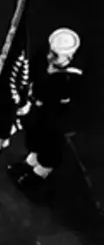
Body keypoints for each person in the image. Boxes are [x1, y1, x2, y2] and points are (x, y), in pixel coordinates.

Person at [6, 27, 83, 195]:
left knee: (49, 144)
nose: (49, 57)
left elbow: (66, 106)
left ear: (69, 57)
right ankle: (31, 161)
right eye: (50, 52)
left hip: (53, 118)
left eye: (55, 56)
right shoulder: (44, 55)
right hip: (36, 111)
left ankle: (41, 171)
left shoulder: (71, 79)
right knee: (34, 136)